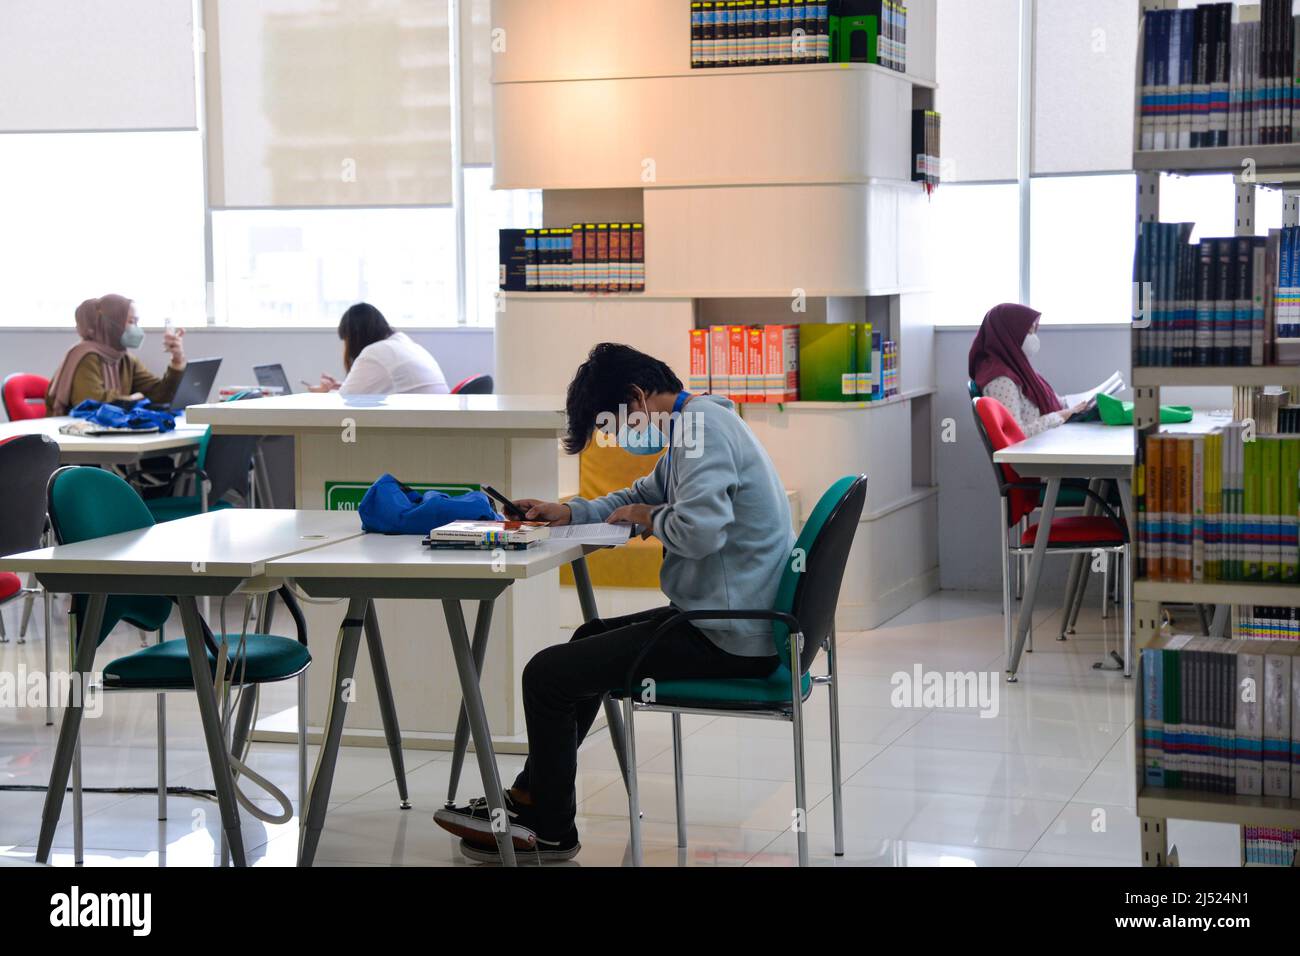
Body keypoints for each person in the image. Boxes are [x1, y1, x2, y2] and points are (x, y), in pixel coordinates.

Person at [433, 343, 794, 863]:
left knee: (546, 674)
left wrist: (649, 516)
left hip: (729, 632)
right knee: (585, 640)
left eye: (616, 426)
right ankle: (531, 799)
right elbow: (637, 494)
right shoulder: (695, 425)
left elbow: (699, 532)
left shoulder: (702, 435)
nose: (621, 439)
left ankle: (551, 829)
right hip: (729, 619)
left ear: (636, 397)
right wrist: (569, 511)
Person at [46, 295, 187, 416]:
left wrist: (177, 359)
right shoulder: (85, 356)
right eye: (131, 322)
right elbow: (90, 403)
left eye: (137, 322)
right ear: (110, 324)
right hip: (78, 438)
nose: (136, 328)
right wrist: (133, 400)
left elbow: (158, 394)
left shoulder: (125, 359)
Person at [968, 303, 1087, 438]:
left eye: (1034, 332)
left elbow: (1054, 400)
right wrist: (1059, 416)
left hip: (1048, 441)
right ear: (1008, 335)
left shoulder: (1018, 369)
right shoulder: (1001, 380)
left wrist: (1084, 401)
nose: (1033, 338)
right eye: (1029, 332)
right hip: (1033, 451)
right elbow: (1015, 434)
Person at [308, 303, 448, 396]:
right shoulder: (405, 345)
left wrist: (323, 393)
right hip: (439, 429)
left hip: (419, 433)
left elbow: (344, 405)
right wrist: (343, 386)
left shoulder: (374, 353)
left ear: (354, 337)